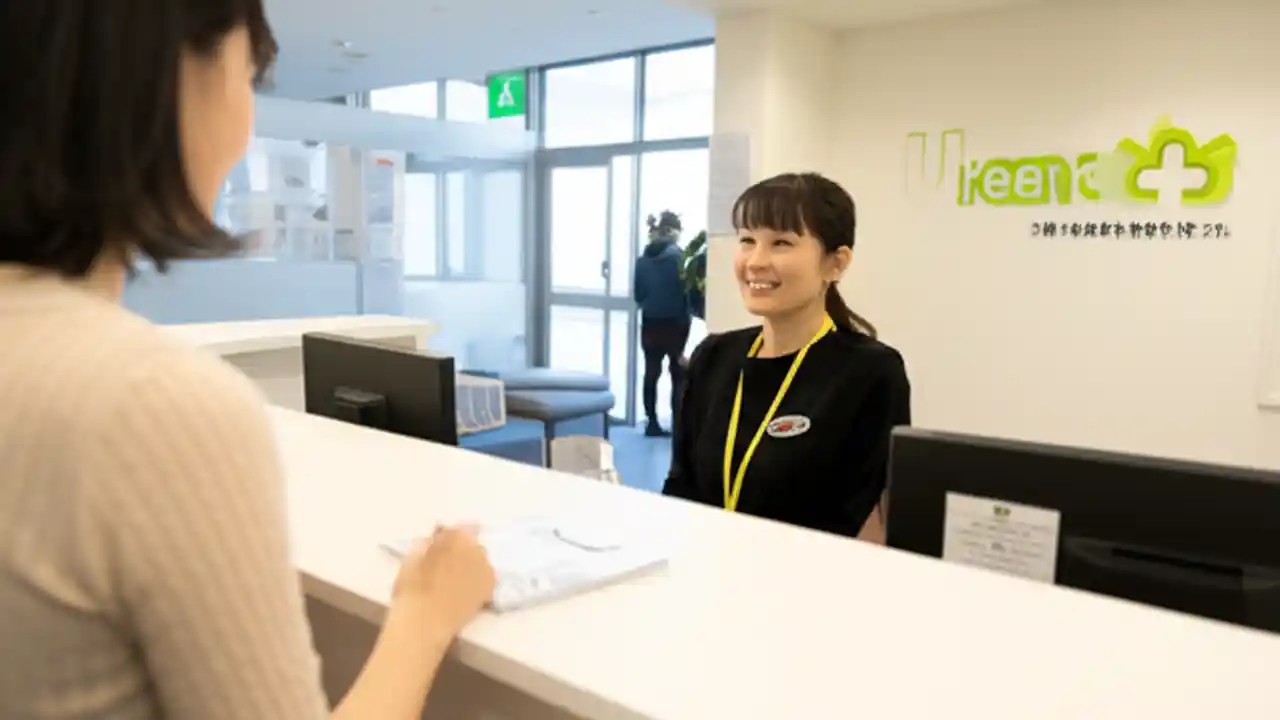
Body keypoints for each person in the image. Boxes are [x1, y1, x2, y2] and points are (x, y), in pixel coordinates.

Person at [0, 3, 495, 718]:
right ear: (172, 77)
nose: (246, 126)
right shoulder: (151, 405)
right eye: (249, 77)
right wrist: (426, 610)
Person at [662, 173, 911, 542]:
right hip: (704, 575)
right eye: (747, 240)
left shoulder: (871, 373)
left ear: (836, 263)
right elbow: (681, 486)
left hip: (806, 587)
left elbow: (856, 520)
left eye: (781, 242)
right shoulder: (713, 357)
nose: (756, 261)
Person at [633, 211, 693, 437]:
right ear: (673, 231)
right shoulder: (679, 258)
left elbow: (639, 296)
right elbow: (686, 293)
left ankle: (652, 423)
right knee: (677, 374)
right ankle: (678, 426)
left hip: (650, 323)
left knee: (651, 372)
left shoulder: (642, 260)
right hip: (675, 324)